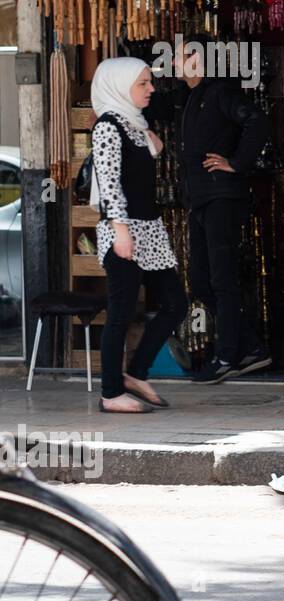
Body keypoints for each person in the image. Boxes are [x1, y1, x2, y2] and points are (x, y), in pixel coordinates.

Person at [170, 36, 272, 384]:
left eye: (180, 55)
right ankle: (251, 347)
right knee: (200, 280)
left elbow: (257, 120)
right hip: (200, 199)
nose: (173, 60)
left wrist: (238, 162)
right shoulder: (191, 97)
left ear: (197, 59)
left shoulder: (219, 92)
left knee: (222, 279)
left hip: (222, 198)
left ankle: (227, 355)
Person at [90, 58, 188, 413]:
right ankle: (111, 392)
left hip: (149, 229)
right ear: (119, 86)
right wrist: (120, 231)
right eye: (143, 83)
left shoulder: (134, 124)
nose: (151, 89)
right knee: (120, 312)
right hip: (124, 229)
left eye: (150, 82)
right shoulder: (108, 127)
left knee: (176, 303)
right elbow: (109, 183)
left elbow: (147, 155)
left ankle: (136, 373)